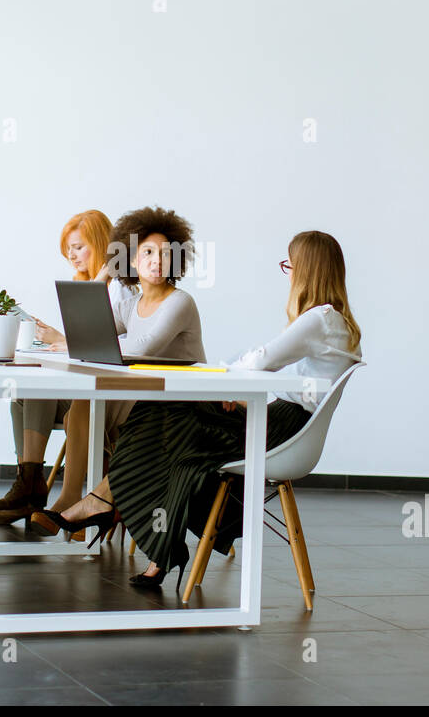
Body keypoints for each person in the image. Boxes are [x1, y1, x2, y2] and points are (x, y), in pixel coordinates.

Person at [43, 230, 361, 586]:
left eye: (291, 265)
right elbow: (263, 361)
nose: (288, 274)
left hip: (281, 431)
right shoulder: (332, 322)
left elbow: (262, 358)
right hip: (282, 422)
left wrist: (230, 380)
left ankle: (105, 504)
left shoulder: (319, 319)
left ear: (308, 269)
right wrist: (231, 381)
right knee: (171, 426)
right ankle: (132, 526)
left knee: (170, 419)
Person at [30, 206, 206, 534]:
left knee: (86, 408)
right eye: (147, 253)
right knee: (80, 406)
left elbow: (143, 348)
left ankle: (86, 504)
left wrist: (93, 343)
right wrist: (106, 273)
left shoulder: (180, 302)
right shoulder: (129, 305)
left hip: (180, 405)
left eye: (166, 254)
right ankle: (72, 499)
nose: (157, 261)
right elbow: (87, 332)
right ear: (132, 259)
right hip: (143, 398)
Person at [0, 210, 118, 525]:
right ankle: (29, 482)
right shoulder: (83, 285)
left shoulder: (119, 286)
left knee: (41, 388)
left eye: (79, 247)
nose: (71, 255)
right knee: (26, 392)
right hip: (86, 389)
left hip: (108, 395)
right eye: (68, 249)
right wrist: (60, 340)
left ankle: (31, 489)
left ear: (100, 246)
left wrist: (61, 338)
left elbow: (106, 346)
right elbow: (89, 343)